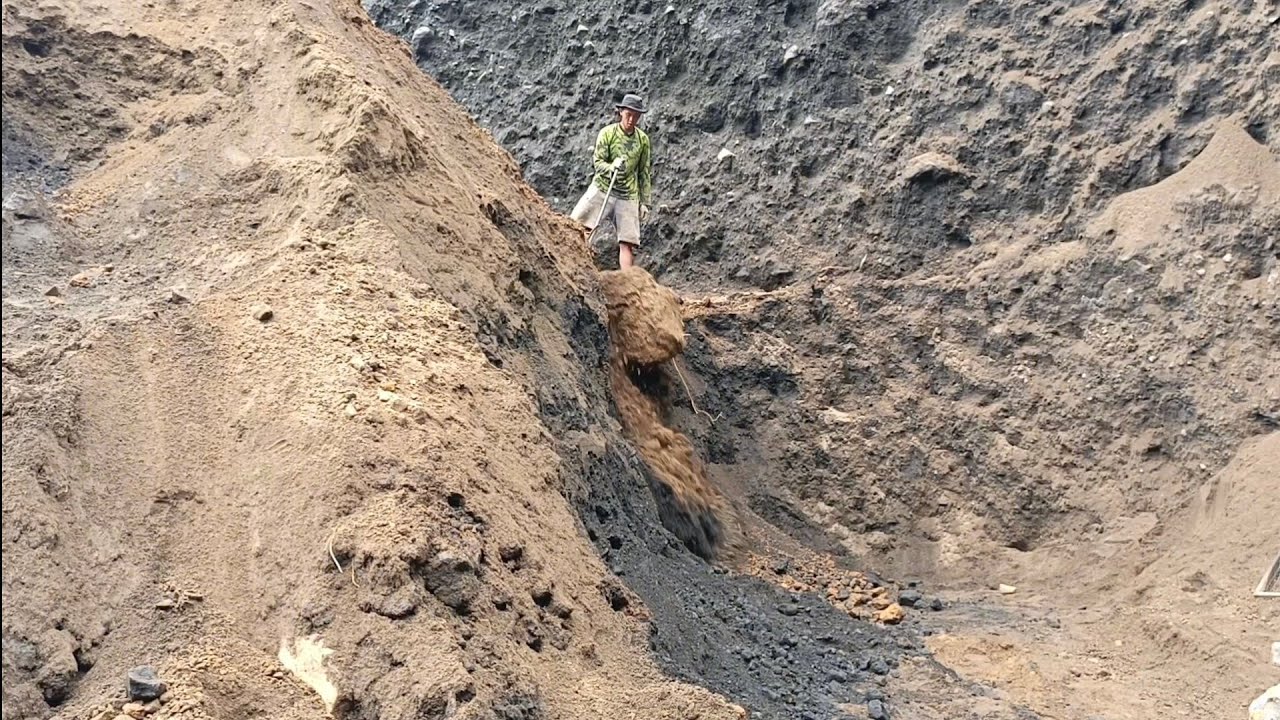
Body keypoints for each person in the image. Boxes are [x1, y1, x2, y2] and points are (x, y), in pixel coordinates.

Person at [570, 93, 652, 269]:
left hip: (628, 193)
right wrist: (611, 167)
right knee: (579, 227)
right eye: (629, 114)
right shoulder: (607, 133)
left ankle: (628, 280)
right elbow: (598, 163)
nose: (631, 120)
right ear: (621, 112)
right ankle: (577, 268)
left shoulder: (643, 140)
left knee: (627, 242)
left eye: (636, 116)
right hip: (602, 187)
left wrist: (645, 202)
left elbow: (644, 172)